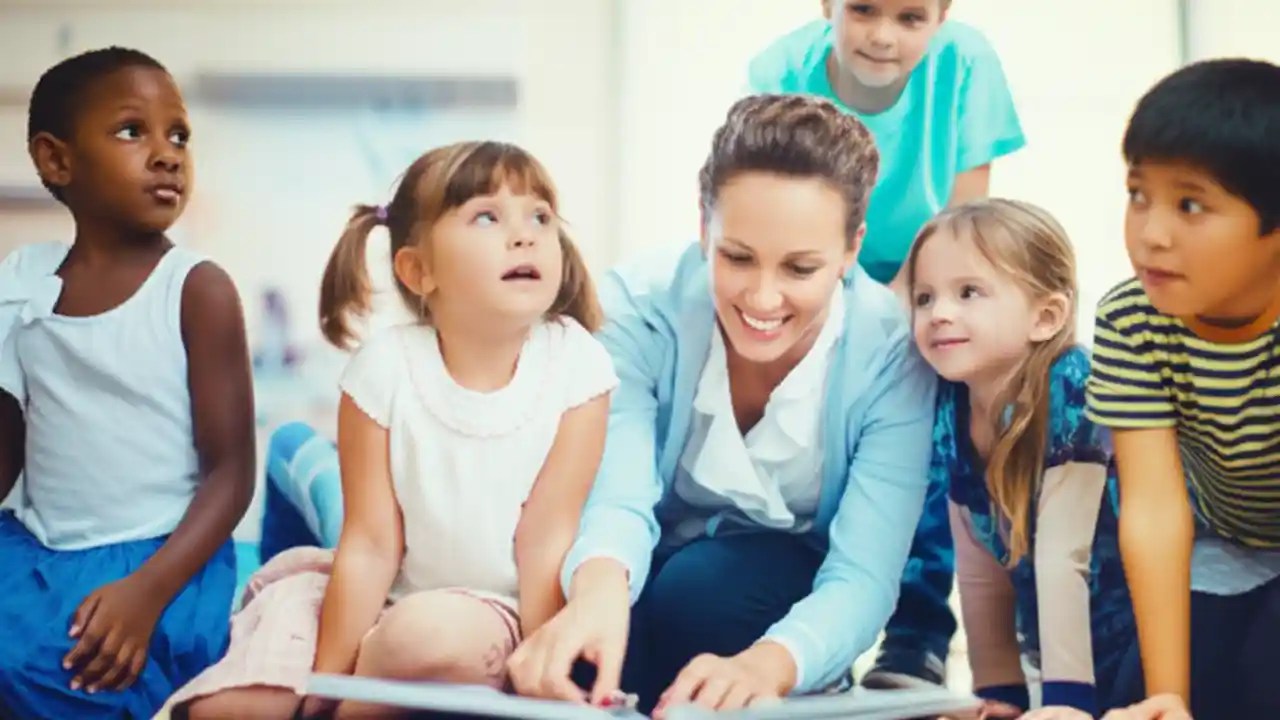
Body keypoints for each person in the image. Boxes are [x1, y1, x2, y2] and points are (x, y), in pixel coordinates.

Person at [507, 94, 937, 717]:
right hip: (636, 561)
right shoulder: (636, 306)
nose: (763, 298)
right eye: (737, 257)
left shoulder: (891, 356)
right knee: (591, 629)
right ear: (704, 226)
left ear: (850, 251)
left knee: (701, 588)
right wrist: (597, 597)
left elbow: (864, 575)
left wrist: (766, 666)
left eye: (800, 268)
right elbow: (616, 495)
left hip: (773, 594)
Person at [174, 140, 619, 720]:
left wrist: (540, 677)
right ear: (418, 269)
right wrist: (324, 682)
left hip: (491, 612)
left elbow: (545, 539)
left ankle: (365, 702)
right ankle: (346, 691)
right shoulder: (383, 368)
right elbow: (370, 543)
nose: (526, 234)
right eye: (488, 216)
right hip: (379, 595)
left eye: (540, 216)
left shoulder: (576, 364)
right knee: (231, 710)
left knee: (426, 639)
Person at [745, 1, 1026, 686]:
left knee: (925, 443)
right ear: (826, 7)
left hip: (928, 273)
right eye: (863, 9)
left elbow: (964, 220)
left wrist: (911, 302)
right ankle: (808, 624)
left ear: (942, 14)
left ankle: (918, 632)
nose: (881, 34)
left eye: (909, 17)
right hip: (811, 269)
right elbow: (772, 200)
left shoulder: (967, 65)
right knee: (820, 440)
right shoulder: (782, 68)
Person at [0, 47, 254, 718]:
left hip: (163, 558)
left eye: (179, 135)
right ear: (57, 160)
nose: (168, 153)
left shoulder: (197, 289)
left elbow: (231, 474)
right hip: (36, 547)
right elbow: (7, 448)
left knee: (79, 675)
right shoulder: (22, 280)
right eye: (131, 131)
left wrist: (146, 591)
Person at [1085, 59, 1280, 720]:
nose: (1151, 233)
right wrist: (1169, 697)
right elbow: (1155, 508)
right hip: (1227, 544)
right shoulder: (1131, 319)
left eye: (1190, 204)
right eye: (1139, 194)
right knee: (1143, 692)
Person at [907, 200, 1141, 719]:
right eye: (924, 297)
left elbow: (1065, 553)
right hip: (1061, 649)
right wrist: (1001, 692)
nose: (939, 312)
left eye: (968, 292)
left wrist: (1066, 701)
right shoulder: (953, 400)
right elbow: (978, 564)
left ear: (1046, 316)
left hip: (1135, 640)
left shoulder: (1073, 387)